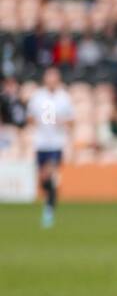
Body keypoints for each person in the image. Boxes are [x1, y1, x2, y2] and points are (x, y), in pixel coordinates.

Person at [27, 66, 74, 228]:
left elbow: (71, 121)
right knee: (44, 180)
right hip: (41, 142)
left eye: (54, 76)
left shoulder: (64, 97)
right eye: (49, 76)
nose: (51, 79)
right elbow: (30, 118)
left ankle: (48, 211)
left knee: (50, 173)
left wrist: (61, 122)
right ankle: (50, 202)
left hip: (56, 143)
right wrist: (39, 121)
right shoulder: (37, 97)